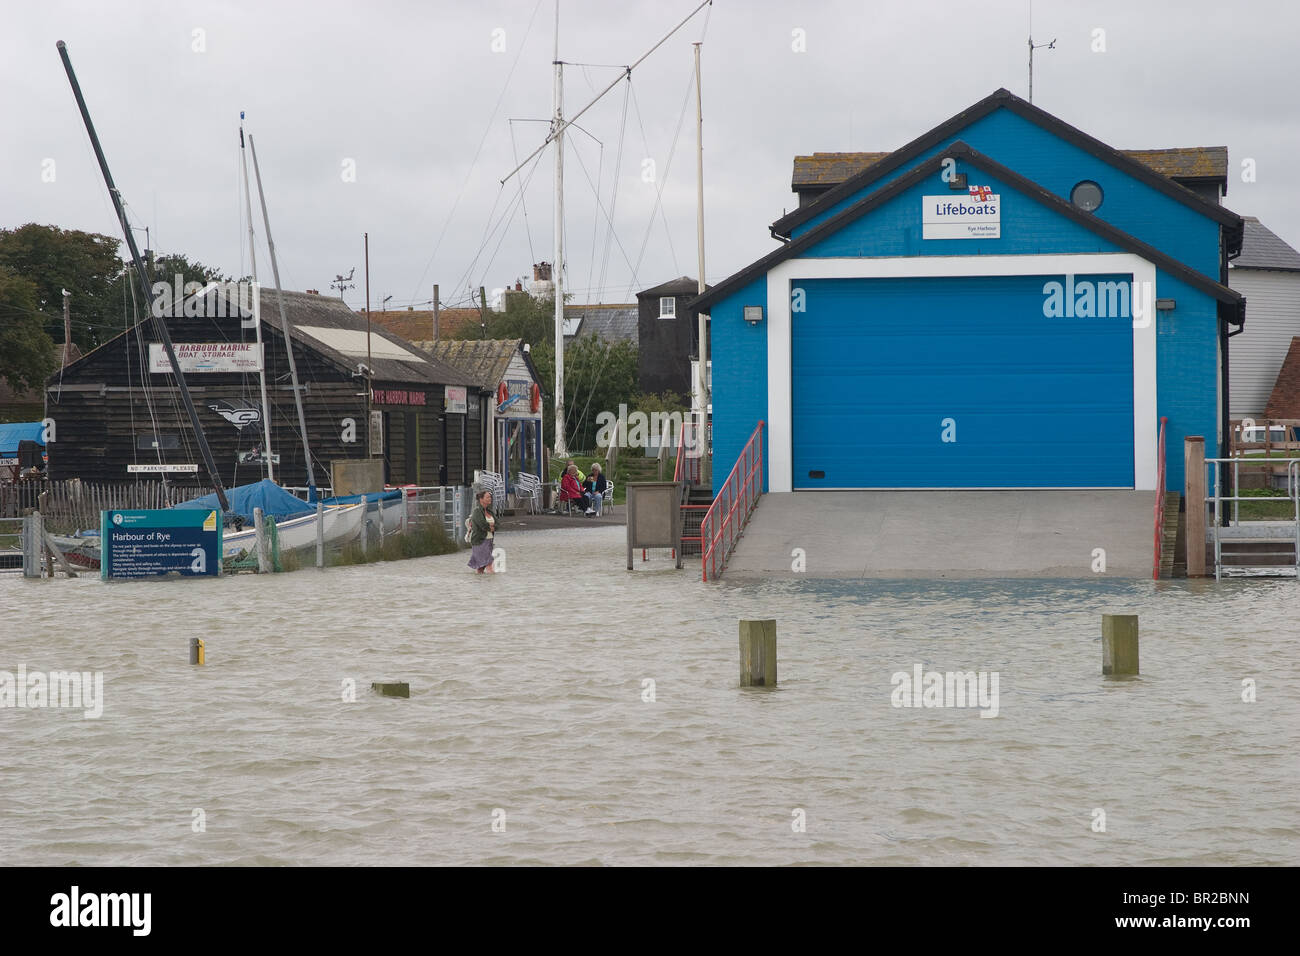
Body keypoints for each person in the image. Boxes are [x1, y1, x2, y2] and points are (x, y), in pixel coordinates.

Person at [466, 489, 497, 573]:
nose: (490, 498)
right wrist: (490, 526)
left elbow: (497, 524)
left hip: (489, 541)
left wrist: (492, 526)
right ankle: (494, 584)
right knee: (489, 565)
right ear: (481, 499)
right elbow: (482, 525)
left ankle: (479, 584)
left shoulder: (490, 512)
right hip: (480, 542)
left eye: (490, 497)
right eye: (487, 497)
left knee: (480, 568)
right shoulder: (477, 512)